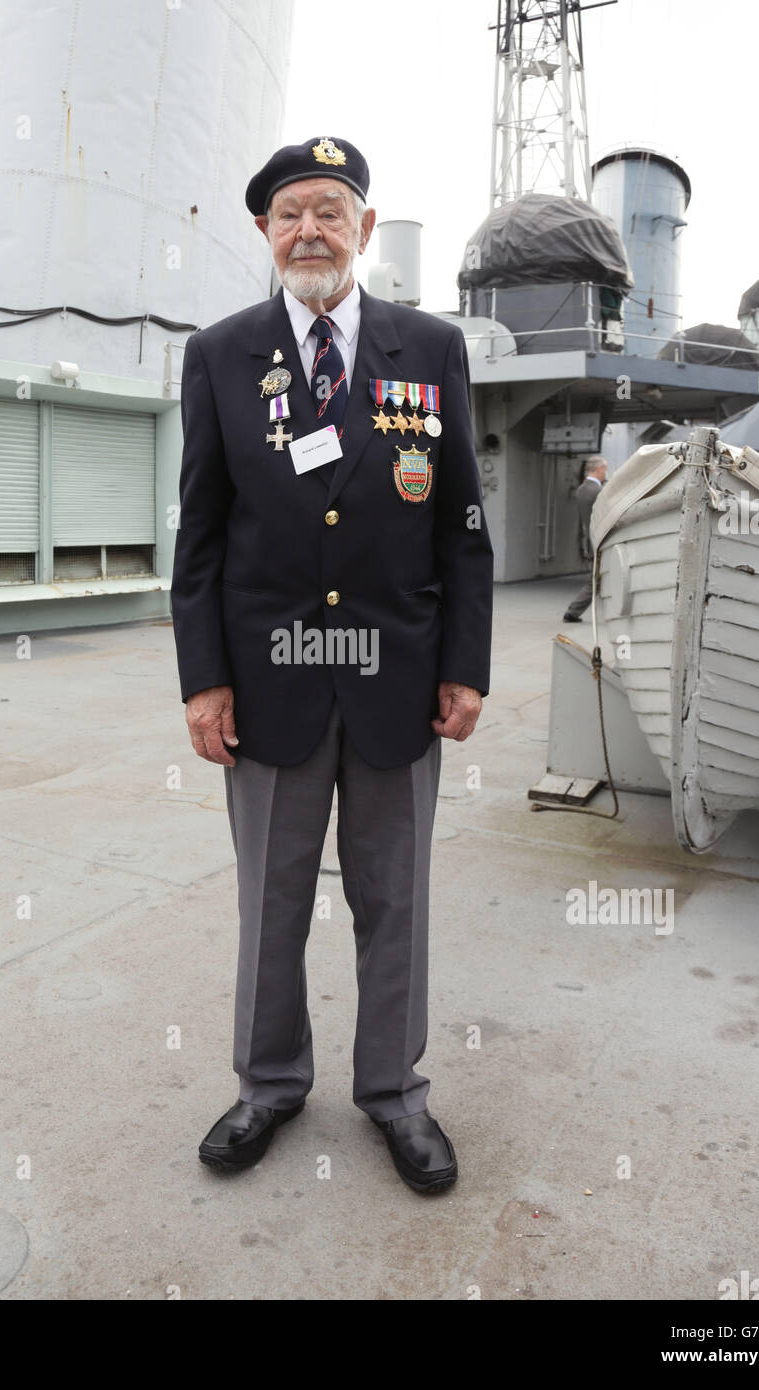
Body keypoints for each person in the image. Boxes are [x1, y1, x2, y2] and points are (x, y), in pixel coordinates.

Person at [170, 136, 494, 1194]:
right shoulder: (220, 354)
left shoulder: (429, 346)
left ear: (361, 223)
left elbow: (461, 526)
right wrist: (203, 677)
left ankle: (395, 1094)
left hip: (399, 676)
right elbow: (202, 534)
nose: (309, 229)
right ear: (263, 232)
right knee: (271, 898)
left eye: (329, 208)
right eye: (287, 213)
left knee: (393, 896)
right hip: (268, 681)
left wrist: (466, 665)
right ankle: (268, 1082)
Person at [562, 455, 608, 623]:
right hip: (600, 540)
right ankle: (573, 612)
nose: (605, 473)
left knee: (597, 578)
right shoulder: (598, 492)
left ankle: (573, 611)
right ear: (598, 470)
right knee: (596, 579)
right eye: (604, 469)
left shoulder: (582, 489)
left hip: (591, 540)